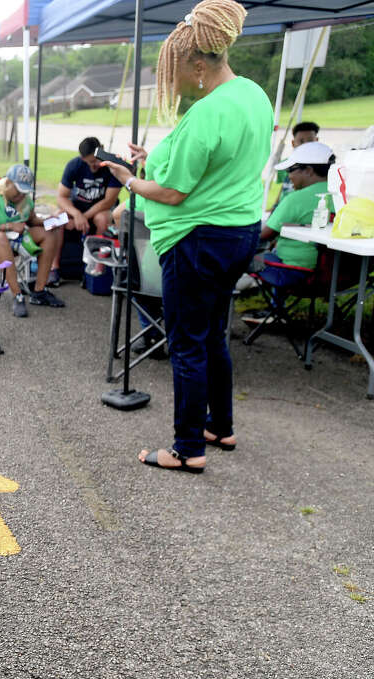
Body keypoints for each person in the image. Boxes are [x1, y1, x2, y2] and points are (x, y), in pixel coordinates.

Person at [103, 0, 272, 473]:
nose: (172, 79)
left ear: (198, 64)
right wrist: (149, 159)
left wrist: (130, 180)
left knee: (187, 343)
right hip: (239, 232)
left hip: (197, 240)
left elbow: (175, 192)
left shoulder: (205, 113)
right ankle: (220, 426)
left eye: (175, 69)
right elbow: (215, 162)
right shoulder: (253, 95)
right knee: (212, 333)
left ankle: (186, 448)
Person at [244, 141, 335, 323]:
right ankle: (277, 310)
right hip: (335, 275)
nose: (288, 176)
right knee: (276, 251)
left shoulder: (296, 199)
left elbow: (264, 234)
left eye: (291, 171)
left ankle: (217, 315)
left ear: (308, 170)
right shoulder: (343, 194)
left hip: (295, 273)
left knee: (240, 255)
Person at [0, 163, 66, 318]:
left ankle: (39, 291)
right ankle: (17, 294)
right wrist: (7, 226)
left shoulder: (25, 199)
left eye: (25, 191)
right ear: (8, 183)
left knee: (50, 233)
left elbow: (32, 221)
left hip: (16, 239)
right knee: (0, 238)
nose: (21, 196)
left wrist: (50, 220)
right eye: (19, 190)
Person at [58, 136, 122, 237]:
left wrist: (83, 217)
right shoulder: (74, 165)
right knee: (56, 219)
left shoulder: (113, 165)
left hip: (102, 209)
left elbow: (108, 201)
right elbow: (62, 197)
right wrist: (76, 214)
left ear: (102, 149)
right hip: (78, 207)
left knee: (102, 219)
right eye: (91, 162)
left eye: (98, 159)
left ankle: (98, 248)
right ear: (82, 158)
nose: (97, 163)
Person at [273, 121, 322, 206]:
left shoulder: (320, 166)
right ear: (293, 143)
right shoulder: (285, 164)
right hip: (283, 206)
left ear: (317, 141)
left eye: (310, 141)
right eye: (301, 141)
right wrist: (275, 204)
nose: (306, 145)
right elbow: (284, 187)